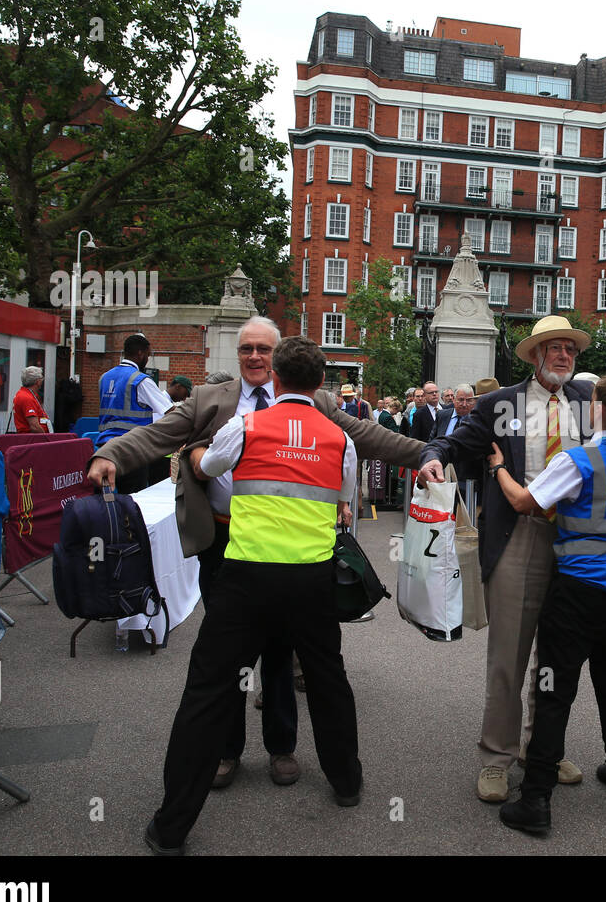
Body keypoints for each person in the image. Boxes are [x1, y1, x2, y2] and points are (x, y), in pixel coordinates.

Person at [88, 317, 422, 789]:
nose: (254, 357)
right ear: (238, 354)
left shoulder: (319, 402)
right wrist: (111, 455)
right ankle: (226, 751)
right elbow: (158, 434)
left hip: (291, 551)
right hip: (224, 543)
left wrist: (426, 453)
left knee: (281, 654)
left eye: (263, 349)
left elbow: (367, 436)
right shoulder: (209, 401)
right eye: (246, 349)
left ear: (277, 357)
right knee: (227, 658)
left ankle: (281, 747)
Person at [416, 315, 606, 802]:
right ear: (535, 355)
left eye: (570, 350)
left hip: (577, 548)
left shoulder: (587, 400)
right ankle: (496, 757)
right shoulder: (500, 404)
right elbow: (455, 441)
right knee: (509, 656)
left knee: (556, 658)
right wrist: (433, 453)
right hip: (524, 535)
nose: (564, 356)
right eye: (554, 348)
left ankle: (542, 752)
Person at [143, 336, 362, 855]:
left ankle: (172, 826)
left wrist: (194, 450)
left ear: (277, 381)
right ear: (321, 384)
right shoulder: (339, 438)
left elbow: (208, 469)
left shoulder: (245, 425)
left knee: (208, 690)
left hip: (245, 578)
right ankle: (347, 781)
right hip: (310, 580)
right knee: (329, 680)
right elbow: (345, 498)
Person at [491, 371, 606, 835]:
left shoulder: (577, 460)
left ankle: (536, 800)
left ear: (597, 410)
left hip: (578, 593)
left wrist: (497, 468)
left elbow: (525, 502)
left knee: (552, 691)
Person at [96, 334, 173, 493]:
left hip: (105, 447)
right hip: (132, 448)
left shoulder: (104, 378)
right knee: (131, 498)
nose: (147, 360)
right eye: (148, 355)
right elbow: (169, 410)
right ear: (140, 353)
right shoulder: (140, 380)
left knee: (105, 498)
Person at [12, 367, 51, 433]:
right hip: (32, 439)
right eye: (41, 379)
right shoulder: (27, 398)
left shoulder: (25, 394)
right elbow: (34, 426)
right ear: (37, 382)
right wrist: (47, 439)